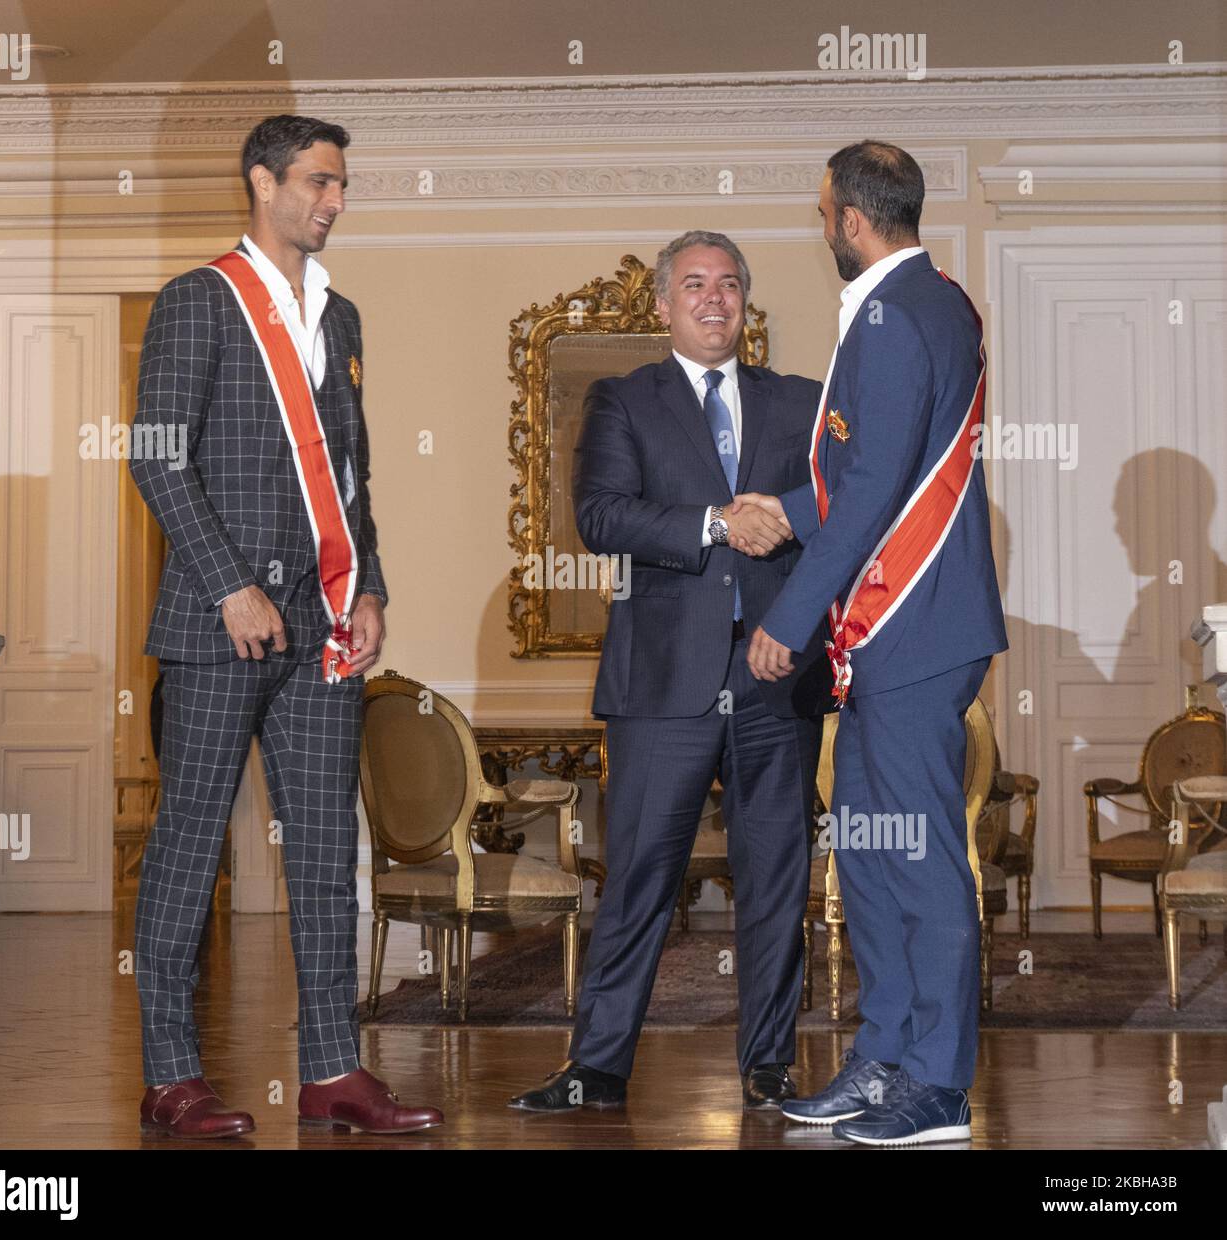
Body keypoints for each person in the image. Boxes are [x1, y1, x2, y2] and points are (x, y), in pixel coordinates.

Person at [130, 114, 441, 1138]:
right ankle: (172, 1076)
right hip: (220, 623)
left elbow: (353, 477)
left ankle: (330, 1072)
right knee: (189, 846)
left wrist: (373, 588)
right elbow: (157, 457)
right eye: (318, 181)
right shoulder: (199, 300)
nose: (335, 200)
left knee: (320, 853)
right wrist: (228, 584)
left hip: (322, 629)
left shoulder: (341, 317)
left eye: (341, 183)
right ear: (261, 182)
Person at [507, 230, 832, 1115]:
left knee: (775, 882)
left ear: (747, 301)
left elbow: (845, 508)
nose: (715, 299)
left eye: (730, 285)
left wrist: (785, 522)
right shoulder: (623, 401)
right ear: (662, 305)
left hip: (777, 679)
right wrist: (718, 524)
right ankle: (599, 1066)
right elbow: (601, 515)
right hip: (660, 684)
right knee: (639, 877)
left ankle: (768, 1068)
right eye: (695, 285)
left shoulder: (801, 403)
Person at [741, 141, 1008, 1146]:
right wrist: (786, 509)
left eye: (822, 214)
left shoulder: (893, 316)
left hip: (911, 627)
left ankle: (935, 1085)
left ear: (852, 218)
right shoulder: (932, 302)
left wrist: (787, 616)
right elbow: (868, 479)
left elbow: (875, 496)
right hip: (900, 632)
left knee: (922, 859)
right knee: (868, 847)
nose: (823, 231)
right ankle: (885, 1055)